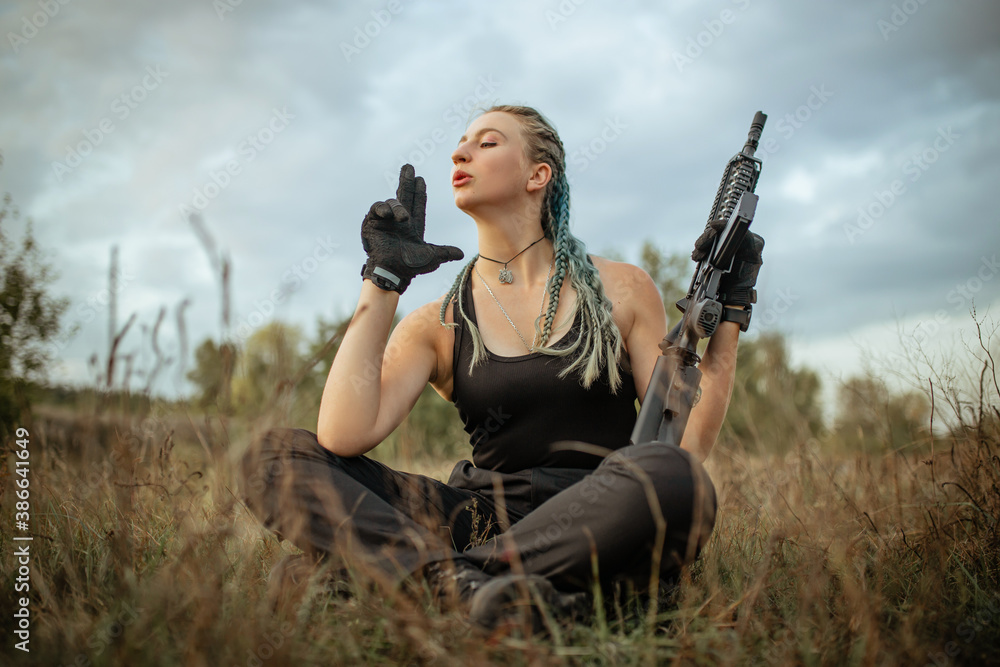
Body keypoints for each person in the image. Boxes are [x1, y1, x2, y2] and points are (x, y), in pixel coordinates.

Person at [238, 104, 763, 631]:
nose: (459, 152)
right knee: (271, 457)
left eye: (488, 142)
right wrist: (382, 279)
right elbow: (342, 434)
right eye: (462, 142)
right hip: (476, 521)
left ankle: (419, 584)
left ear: (539, 175)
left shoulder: (622, 288)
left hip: (600, 513)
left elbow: (685, 444)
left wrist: (730, 317)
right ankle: (482, 591)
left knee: (674, 479)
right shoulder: (438, 320)